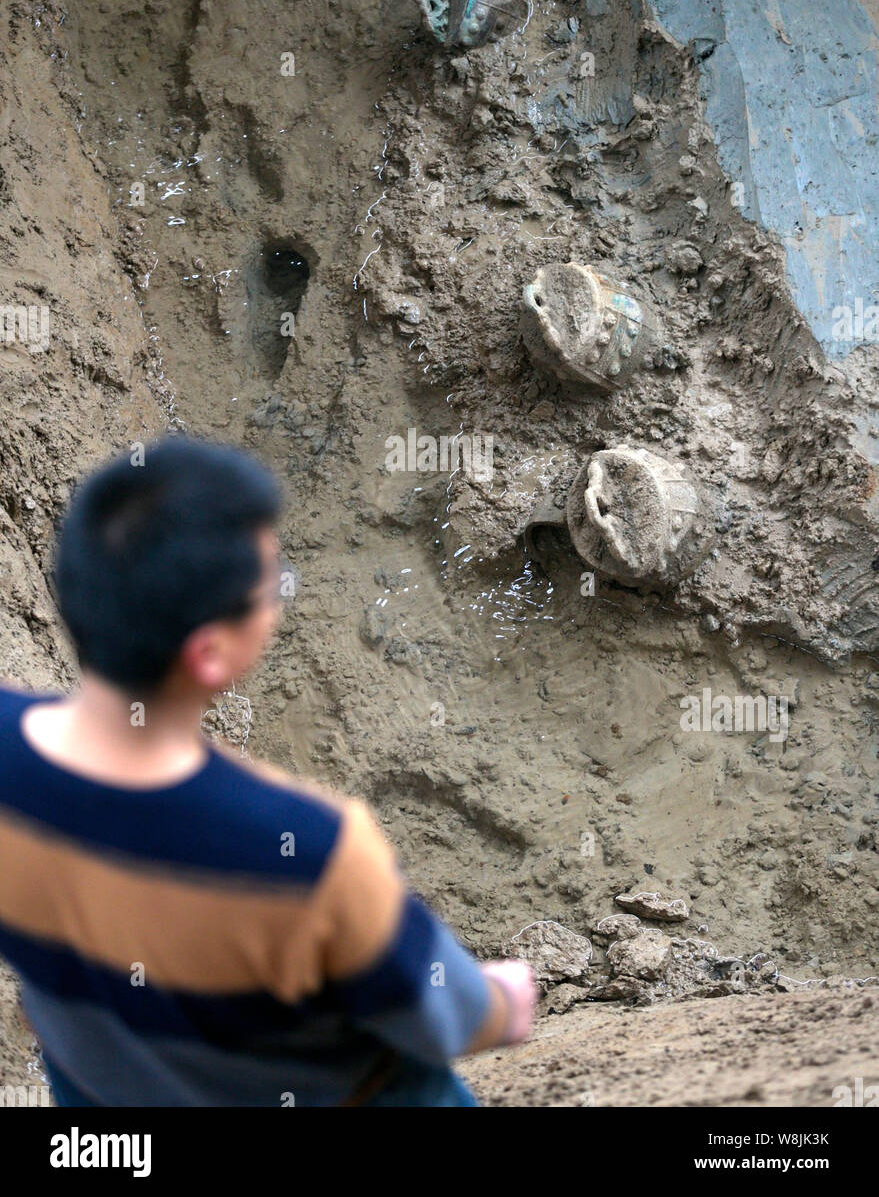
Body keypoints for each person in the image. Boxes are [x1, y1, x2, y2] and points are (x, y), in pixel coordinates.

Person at [0, 434, 535, 1106]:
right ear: (210, 654)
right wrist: (502, 1002)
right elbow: (440, 1017)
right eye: (271, 586)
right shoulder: (313, 850)